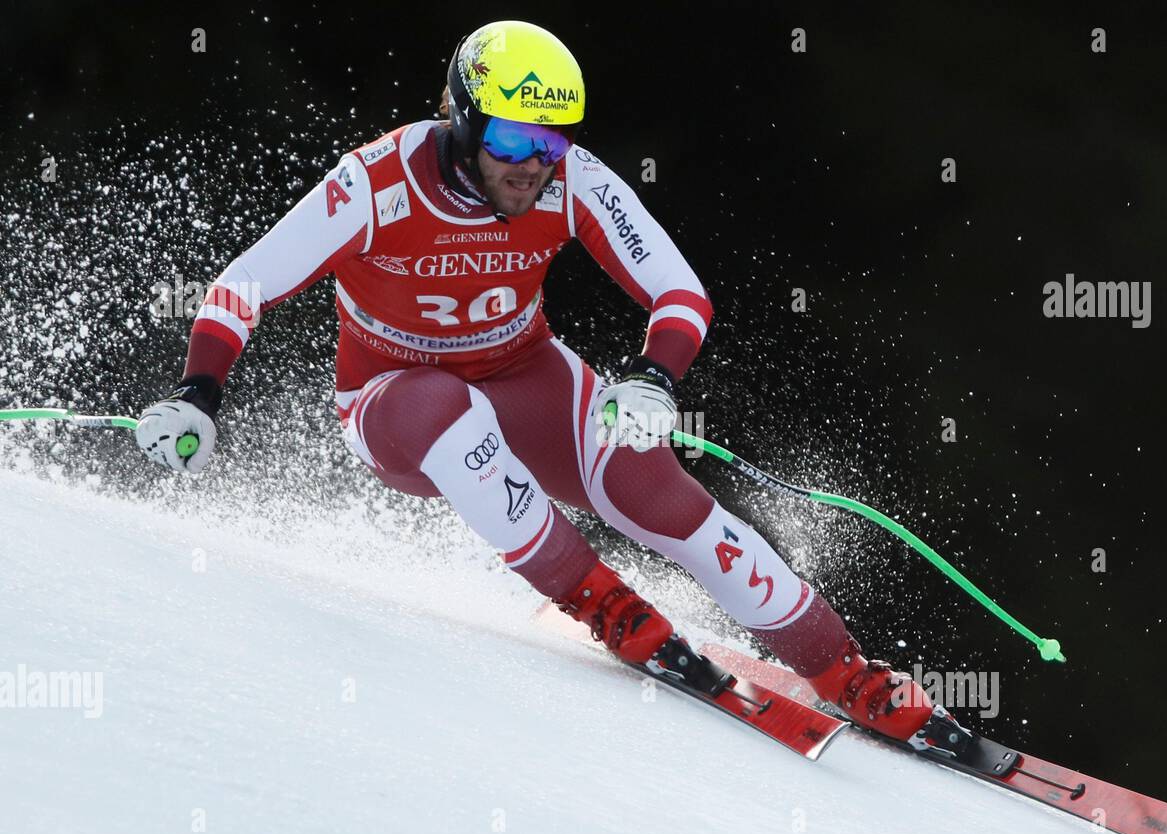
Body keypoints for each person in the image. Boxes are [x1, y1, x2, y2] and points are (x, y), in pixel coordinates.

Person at [135, 20, 947, 747]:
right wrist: (199, 392)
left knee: (658, 491)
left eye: (551, 142)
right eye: (513, 141)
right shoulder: (375, 184)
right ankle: (603, 603)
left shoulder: (571, 178)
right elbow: (243, 285)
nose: (532, 167)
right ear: (464, 121)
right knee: (441, 403)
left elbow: (681, 293)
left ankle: (843, 669)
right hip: (397, 405)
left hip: (525, 376)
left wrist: (654, 378)